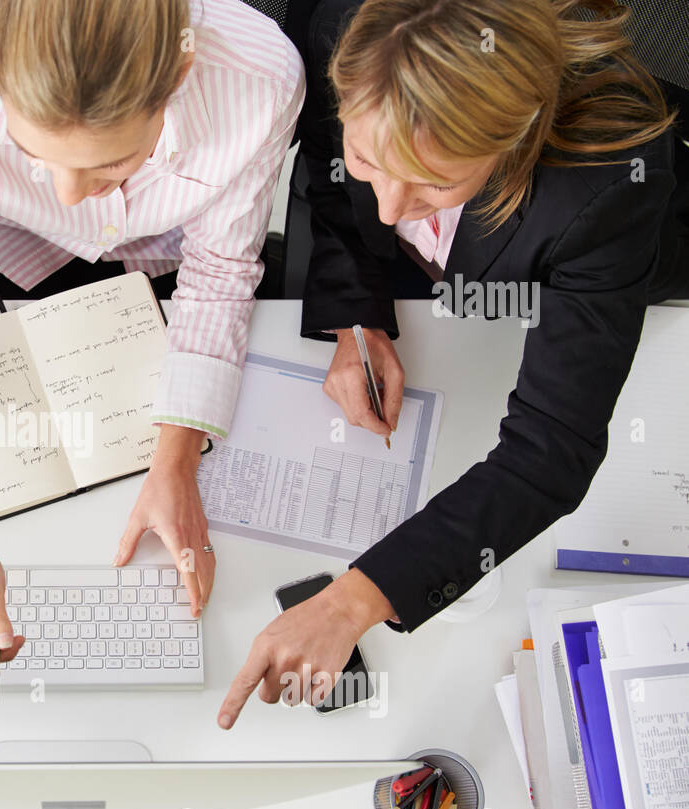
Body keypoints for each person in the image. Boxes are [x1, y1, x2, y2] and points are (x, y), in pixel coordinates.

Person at [219, 0, 689, 727]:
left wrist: (352, 601)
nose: (391, 208)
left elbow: (549, 453)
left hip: (571, 265)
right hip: (439, 276)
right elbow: (332, 170)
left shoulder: (604, 180)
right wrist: (357, 314)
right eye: (375, 161)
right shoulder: (341, 25)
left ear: (517, 136)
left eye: (434, 182)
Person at [0, 0, 304, 667]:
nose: (70, 194)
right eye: (33, 154)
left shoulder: (262, 78)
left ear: (181, 73)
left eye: (111, 164)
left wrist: (175, 464)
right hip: (11, 252)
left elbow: (221, 272)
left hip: (165, 256)